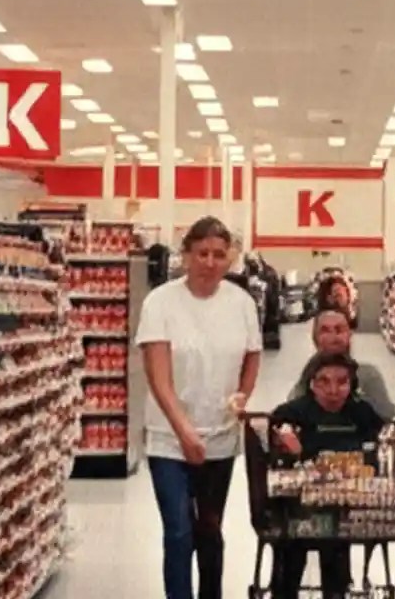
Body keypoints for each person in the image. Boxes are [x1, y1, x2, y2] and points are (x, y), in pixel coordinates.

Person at [136, 216, 263, 599]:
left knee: (209, 529)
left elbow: (252, 356)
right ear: (186, 255)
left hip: (221, 437)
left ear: (230, 259)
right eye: (202, 253)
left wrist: (242, 395)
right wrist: (183, 431)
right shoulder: (160, 302)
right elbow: (158, 376)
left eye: (219, 255)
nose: (210, 262)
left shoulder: (241, 303)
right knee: (178, 530)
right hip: (168, 438)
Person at [269, 352, 387, 599]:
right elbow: (274, 431)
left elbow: (381, 446)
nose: (333, 390)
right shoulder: (295, 412)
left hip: (346, 505)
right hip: (299, 508)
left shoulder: (362, 413)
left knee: (335, 538)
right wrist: (284, 437)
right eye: (324, 381)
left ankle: (335, 590)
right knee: (293, 541)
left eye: (342, 382)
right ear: (311, 383)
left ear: (352, 384)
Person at [289, 310, 395, 421]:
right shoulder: (308, 376)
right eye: (325, 330)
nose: (333, 337)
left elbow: (387, 419)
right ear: (315, 338)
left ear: (349, 334)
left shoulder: (368, 376)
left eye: (339, 329)